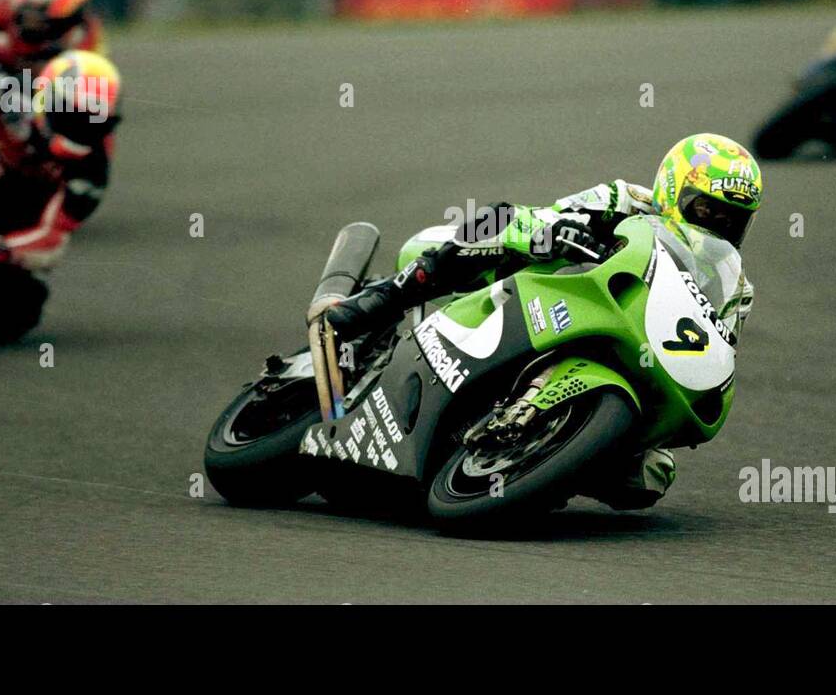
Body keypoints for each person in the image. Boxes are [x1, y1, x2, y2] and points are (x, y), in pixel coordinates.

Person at [324, 133, 762, 509]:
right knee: (499, 220)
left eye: (732, 220)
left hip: (627, 340)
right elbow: (547, 214)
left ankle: (543, 455)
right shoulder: (625, 200)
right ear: (673, 190)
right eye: (705, 210)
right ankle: (387, 296)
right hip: (541, 292)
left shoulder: (735, 286)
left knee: (649, 477)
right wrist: (556, 232)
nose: (718, 225)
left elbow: (716, 343)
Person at [0, 49, 122, 336]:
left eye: (95, 121)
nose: (83, 129)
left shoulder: (90, 174)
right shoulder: (11, 92)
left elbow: (50, 239)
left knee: (22, 307)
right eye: (73, 116)